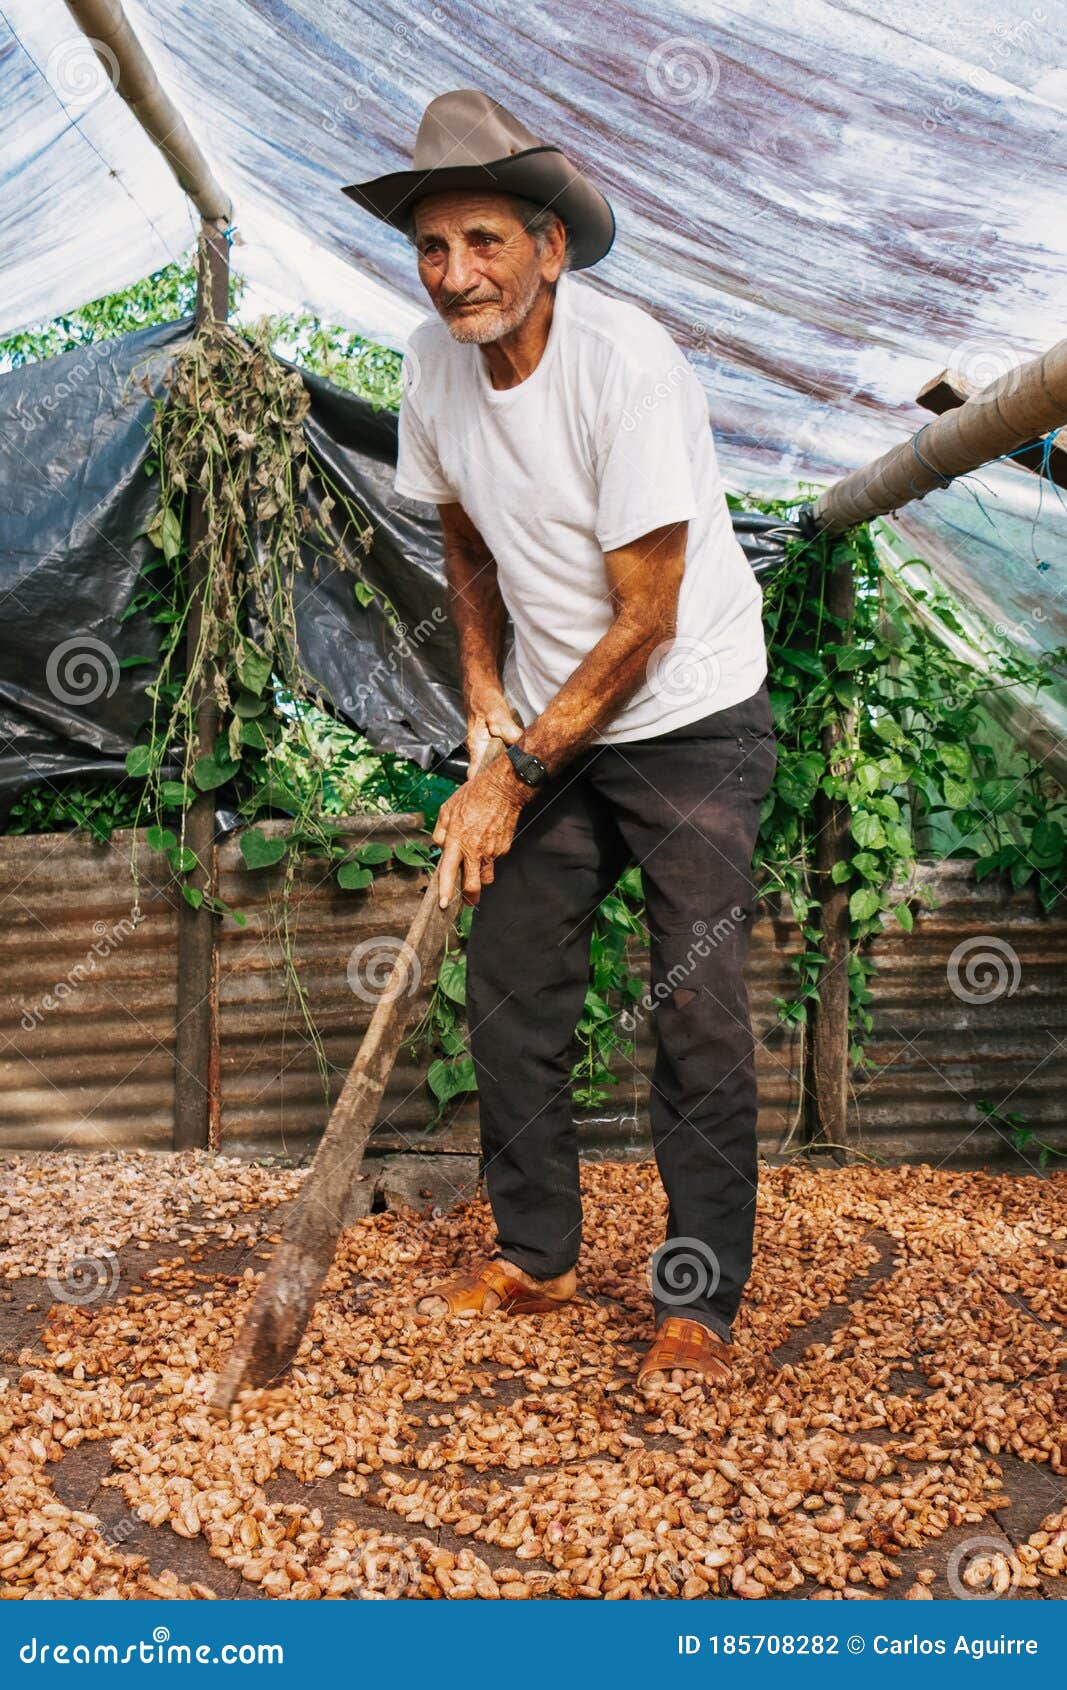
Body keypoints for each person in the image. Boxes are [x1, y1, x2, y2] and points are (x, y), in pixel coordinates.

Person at [342, 89, 778, 1390]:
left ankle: (698, 1294)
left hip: (688, 708)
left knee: (695, 1005)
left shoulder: (626, 365)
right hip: (547, 719)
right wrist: (485, 708)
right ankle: (536, 1245)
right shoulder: (432, 364)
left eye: (483, 240)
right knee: (514, 984)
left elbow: (646, 621)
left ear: (550, 247)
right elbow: (465, 540)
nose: (455, 273)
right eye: (432, 247)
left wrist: (513, 772)